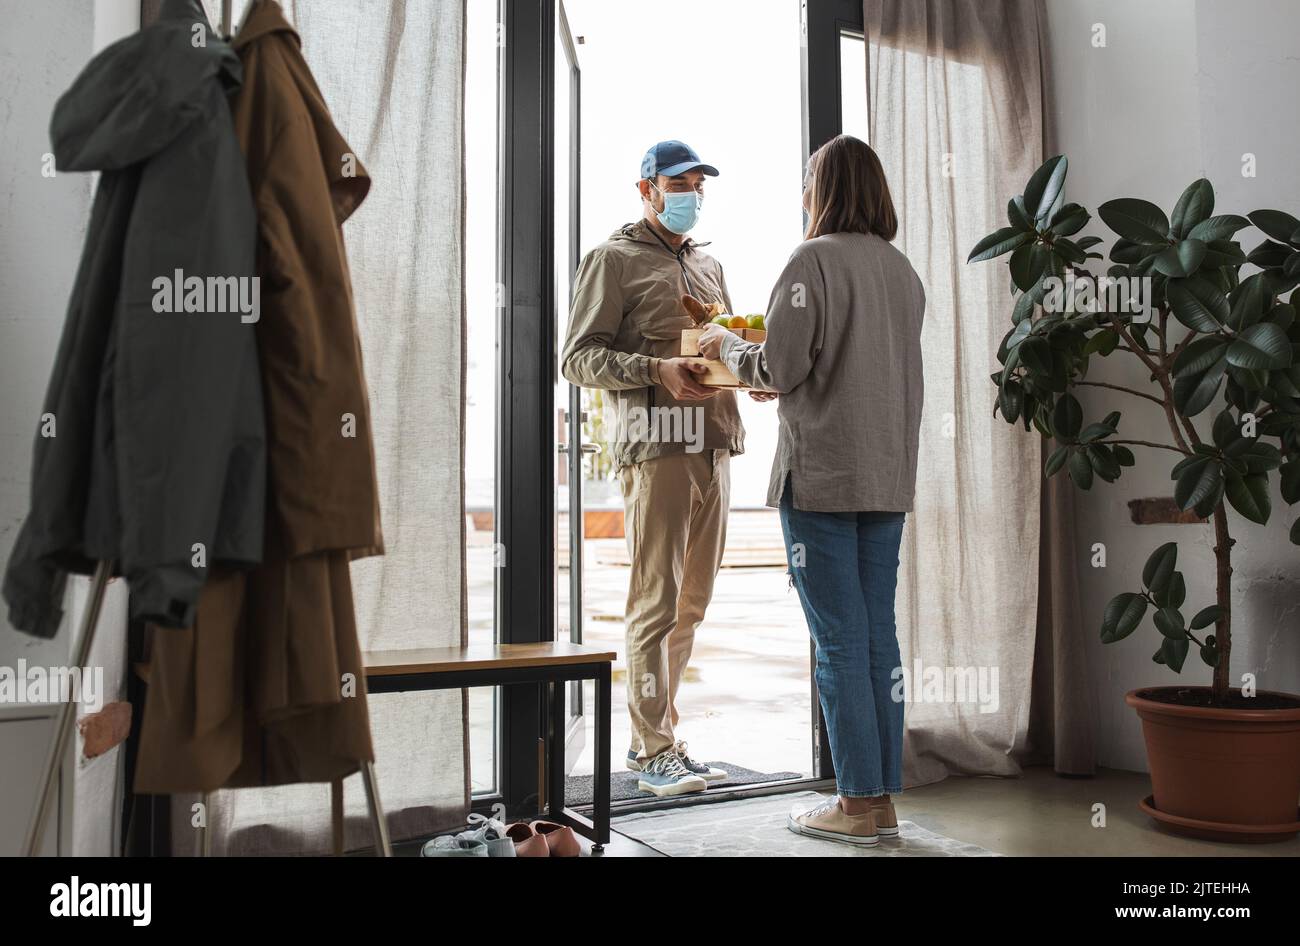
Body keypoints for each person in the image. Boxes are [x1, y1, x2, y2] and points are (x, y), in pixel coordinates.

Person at [699, 134, 926, 844]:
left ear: (821, 190)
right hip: (886, 474)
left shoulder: (811, 260)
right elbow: (844, 368)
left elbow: (781, 366)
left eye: (807, 181)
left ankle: (856, 807)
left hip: (824, 475)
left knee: (837, 643)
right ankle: (881, 799)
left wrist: (722, 346)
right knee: (877, 639)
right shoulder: (900, 270)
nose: (802, 193)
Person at [561, 140, 742, 797]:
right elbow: (577, 359)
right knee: (654, 603)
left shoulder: (710, 263)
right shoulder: (611, 260)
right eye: (679, 183)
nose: (692, 194)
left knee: (691, 604)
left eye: (699, 184)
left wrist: (756, 373)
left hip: (715, 441)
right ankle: (649, 748)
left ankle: (664, 739)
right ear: (646, 189)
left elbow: (723, 346)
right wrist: (654, 370)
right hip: (656, 446)